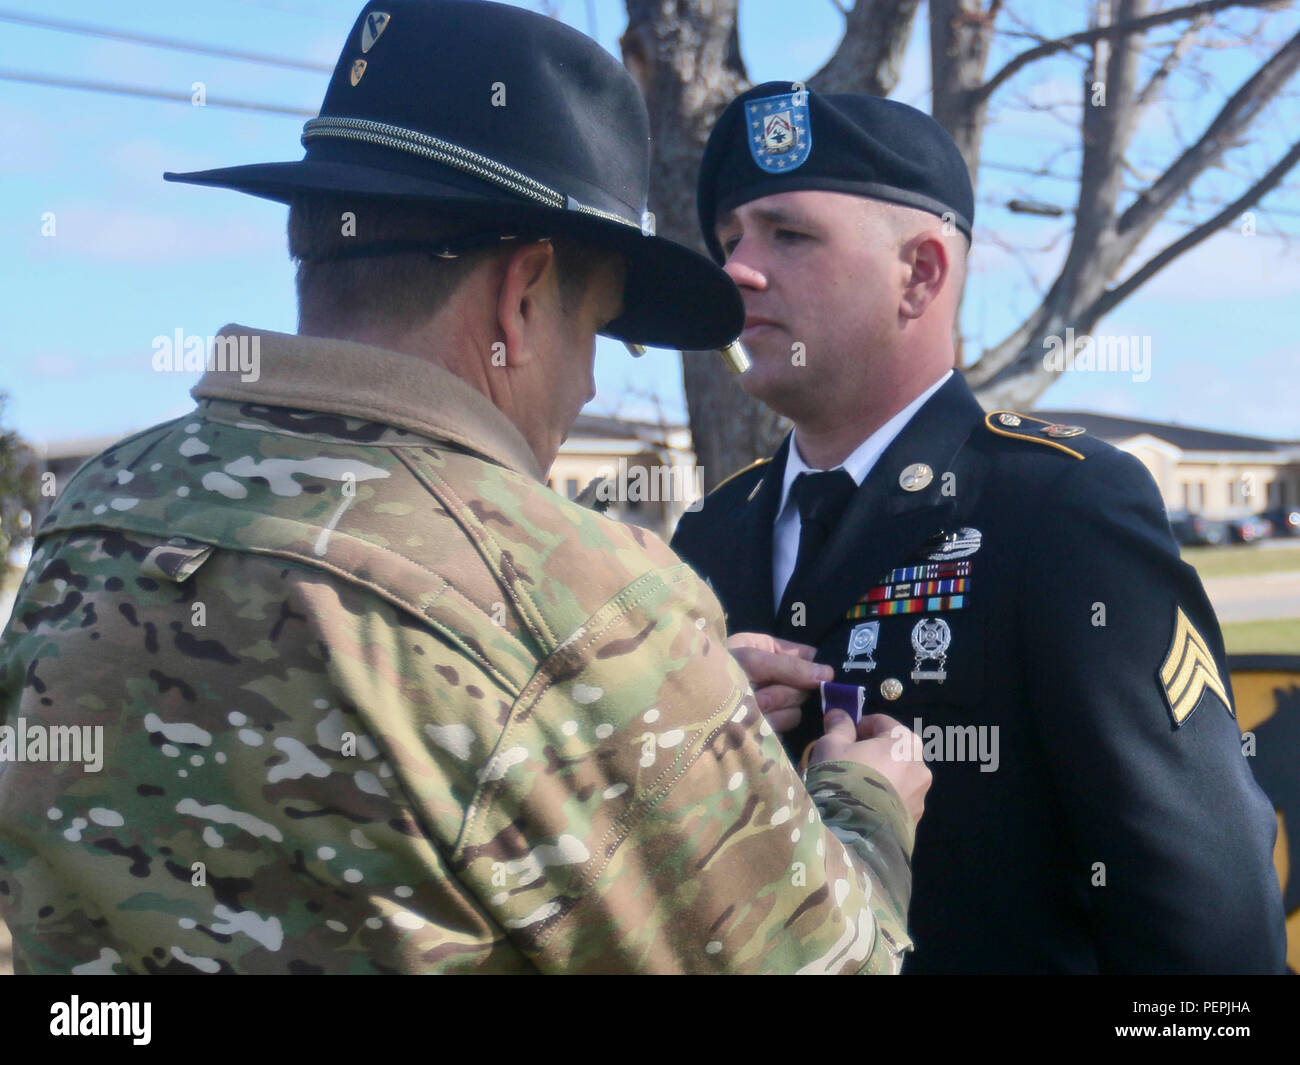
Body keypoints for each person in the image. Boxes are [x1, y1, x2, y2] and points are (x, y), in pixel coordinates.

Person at [0, 3, 931, 975]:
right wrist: (863, 803)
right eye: (598, 330)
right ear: (521, 297)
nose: (590, 385)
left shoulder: (94, 512)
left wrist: (667, 713)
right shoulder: (581, 603)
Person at [672, 81, 1286, 974]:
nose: (738, 269)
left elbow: (1207, 912)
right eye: (730, 239)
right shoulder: (707, 535)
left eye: (788, 234)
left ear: (920, 274)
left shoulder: (1058, 506)